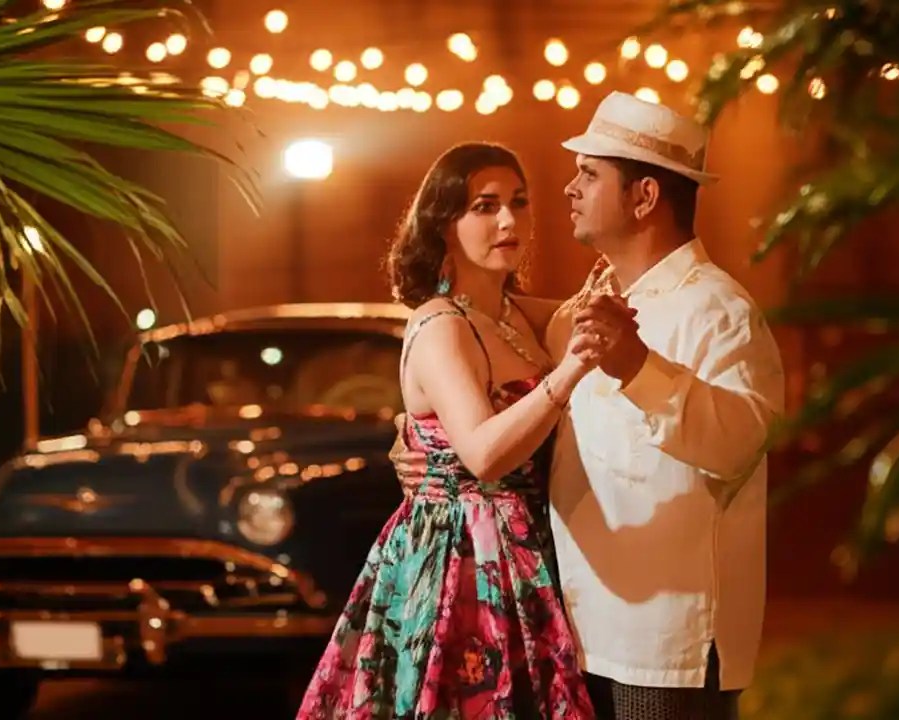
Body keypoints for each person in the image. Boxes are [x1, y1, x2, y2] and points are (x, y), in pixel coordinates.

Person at [394, 92, 786, 719]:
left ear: (645, 197)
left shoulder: (715, 311)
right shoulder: (592, 303)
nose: (568, 189)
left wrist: (638, 367)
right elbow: (482, 368)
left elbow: (738, 442)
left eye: (589, 173)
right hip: (569, 628)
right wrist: (423, 440)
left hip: (661, 644)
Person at [296, 142, 600, 719]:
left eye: (518, 202)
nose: (508, 220)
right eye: (484, 207)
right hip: (462, 561)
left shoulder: (512, 316)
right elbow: (484, 454)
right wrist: (569, 373)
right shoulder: (439, 325)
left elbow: (600, 309)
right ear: (443, 223)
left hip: (527, 550)